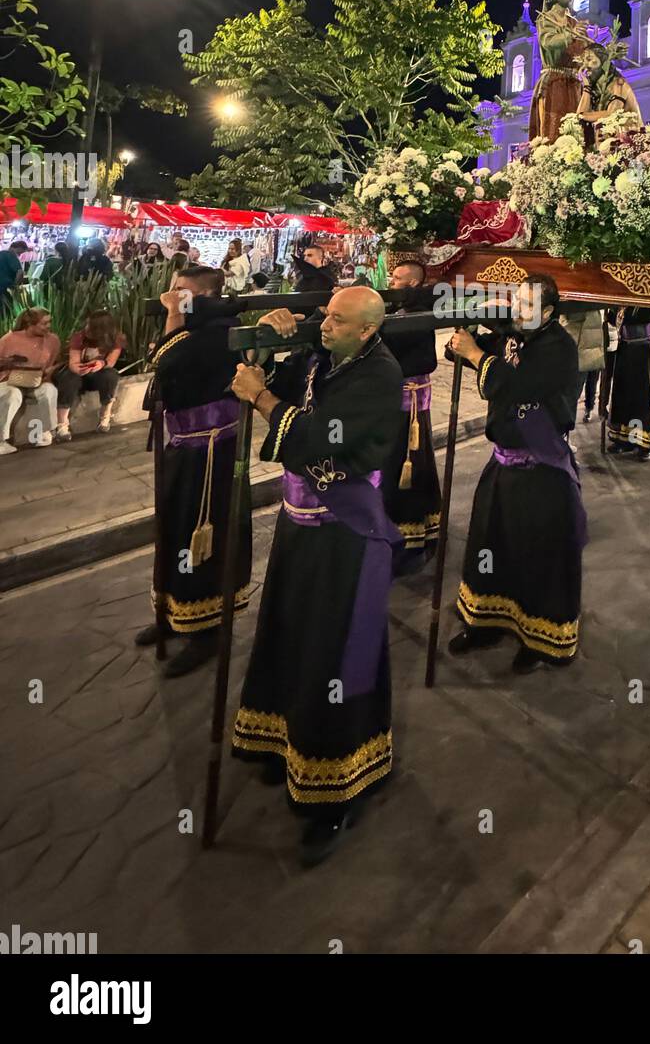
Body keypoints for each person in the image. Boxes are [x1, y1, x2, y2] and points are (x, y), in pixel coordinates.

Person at [229, 287, 403, 867]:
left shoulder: (378, 377)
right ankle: (282, 739)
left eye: (337, 320)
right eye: (325, 314)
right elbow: (286, 388)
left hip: (343, 535)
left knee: (333, 648)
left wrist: (260, 402)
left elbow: (319, 435)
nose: (324, 325)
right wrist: (270, 344)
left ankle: (336, 784)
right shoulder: (325, 356)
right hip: (298, 526)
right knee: (289, 630)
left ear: (368, 331)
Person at [446, 274, 586, 674]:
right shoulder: (513, 336)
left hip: (541, 467)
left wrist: (475, 355)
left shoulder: (559, 348)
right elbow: (462, 351)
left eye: (527, 306)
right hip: (502, 462)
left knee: (535, 555)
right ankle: (485, 623)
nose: (518, 311)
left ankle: (538, 639)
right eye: (516, 302)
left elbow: (516, 386)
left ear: (547, 312)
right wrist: (463, 339)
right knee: (491, 548)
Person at [134, 265, 251, 677]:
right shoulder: (199, 324)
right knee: (173, 529)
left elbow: (165, 363)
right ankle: (171, 613)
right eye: (172, 288)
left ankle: (208, 629)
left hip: (212, 453)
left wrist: (174, 316)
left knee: (204, 534)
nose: (171, 295)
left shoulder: (221, 328)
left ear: (203, 295)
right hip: (182, 447)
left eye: (180, 290)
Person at [380, 259, 441, 573]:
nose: (392, 281)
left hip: (410, 404)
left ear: (414, 284)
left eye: (398, 277)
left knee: (407, 463)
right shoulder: (399, 307)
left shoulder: (419, 312)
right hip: (394, 402)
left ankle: (410, 536)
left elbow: (396, 342)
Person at [528, 0, 588, 143]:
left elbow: (581, 53)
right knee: (554, 131)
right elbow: (549, 42)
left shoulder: (573, 22)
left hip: (575, 84)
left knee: (577, 132)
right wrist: (572, 33)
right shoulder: (546, 19)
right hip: (555, 81)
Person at [606, 307, 650, 460]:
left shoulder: (648, 293)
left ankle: (644, 443)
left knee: (642, 397)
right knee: (623, 394)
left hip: (644, 348)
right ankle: (624, 439)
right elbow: (615, 318)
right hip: (625, 347)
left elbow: (649, 314)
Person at [54, 311, 125, 439]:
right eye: (87, 324)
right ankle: (62, 425)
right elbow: (73, 362)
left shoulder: (116, 338)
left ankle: (105, 415)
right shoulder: (79, 337)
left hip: (97, 373)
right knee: (69, 378)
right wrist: (80, 369)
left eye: (90, 326)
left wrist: (100, 364)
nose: (86, 328)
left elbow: (111, 361)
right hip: (79, 373)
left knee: (111, 375)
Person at [0, 308, 60, 454]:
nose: (48, 326)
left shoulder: (53, 340)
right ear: (30, 324)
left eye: (49, 322)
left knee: (49, 390)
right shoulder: (8, 340)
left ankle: (45, 432)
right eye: (44, 323)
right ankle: (1, 441)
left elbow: (53, 363)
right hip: (10, 381)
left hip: (36, 381)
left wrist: (51, 371)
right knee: (12, 394)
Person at [559, 304, 605, 425]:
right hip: (579, 344)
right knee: (568, 396)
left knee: (570, 395)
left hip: (581, 346)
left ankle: (563, 434)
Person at [0, 239, 28, 311]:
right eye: (21, 251)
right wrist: (16, 285)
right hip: (5, 287)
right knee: (7, 310)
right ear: (18, 248)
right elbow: (20, 272)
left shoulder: (1, 253)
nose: (21, 254)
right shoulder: (11, 255)